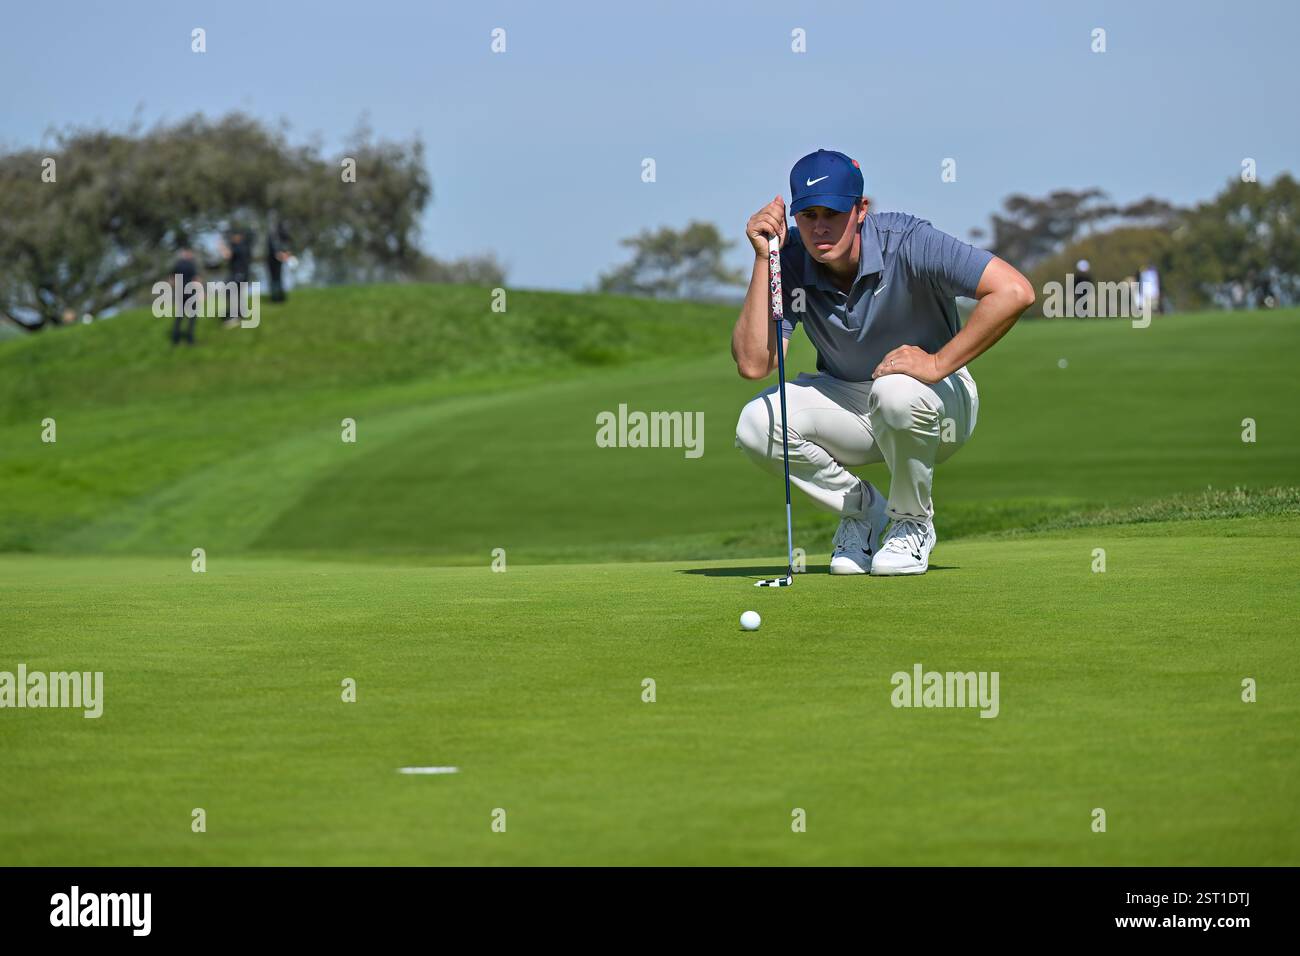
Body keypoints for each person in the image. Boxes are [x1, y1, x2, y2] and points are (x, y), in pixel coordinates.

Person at [732, 148, 1034, 576]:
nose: (819, 228)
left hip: (936, 401)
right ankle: (864, 513)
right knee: (755, 424)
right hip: (849, 401)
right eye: (808, 215)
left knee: (894, 391)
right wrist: (766, 259)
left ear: (860, 210)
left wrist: (935, 363)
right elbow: (753, 363)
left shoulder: (909, 241)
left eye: (832, 214)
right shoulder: (791, 258)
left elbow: (1014, 291)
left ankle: (912, 523)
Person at [170, 247, 200, 346]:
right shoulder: (191, 265)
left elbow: (172, 280)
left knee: (179, 316)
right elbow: (195, 279)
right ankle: (190, 339)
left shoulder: (177, 264)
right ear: (189, 253)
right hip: (189, 292)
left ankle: (175, 339)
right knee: (192, 316)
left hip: (179, 292)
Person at [266, 216, 293, 303]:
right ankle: (277, 297)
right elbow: (274, 249)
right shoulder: (274, 236)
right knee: (276, 279)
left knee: (277, 279)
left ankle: (278, 297)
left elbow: (288, 244)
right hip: (273, 260)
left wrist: (285, 254)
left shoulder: (279, 235)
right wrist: (282, 254)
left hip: (278, 260)